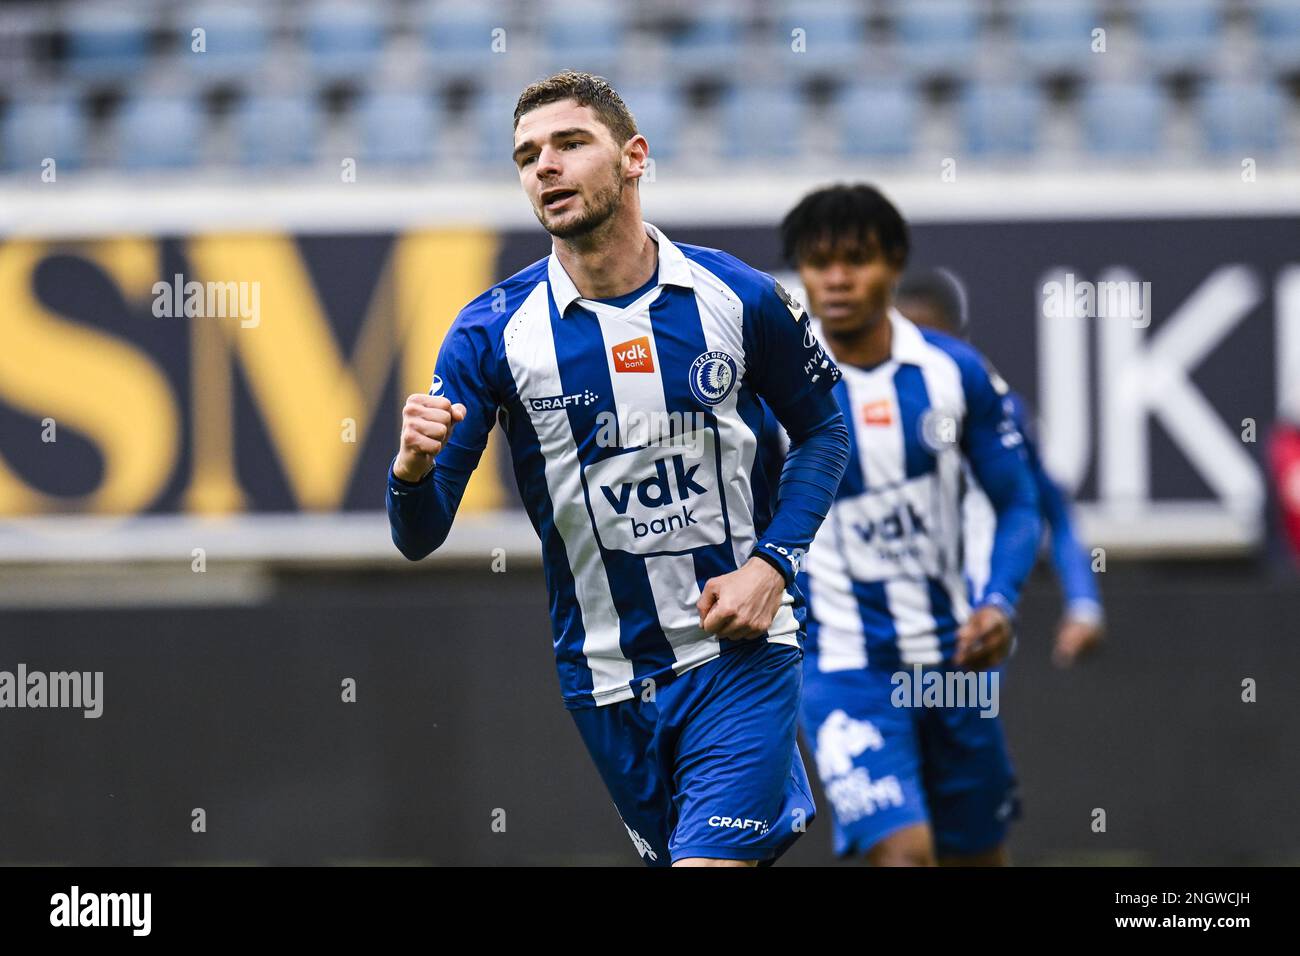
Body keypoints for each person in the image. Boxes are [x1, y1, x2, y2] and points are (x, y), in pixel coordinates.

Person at [386, 71, 850, 867]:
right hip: (605, 677)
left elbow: (825, 431)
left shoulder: (736, 298)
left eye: (570, 144)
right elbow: (419, 537)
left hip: (740, 650)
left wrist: (772, 566)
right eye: (527, 155)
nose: (546, 167)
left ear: (634, 157)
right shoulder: (490, 334)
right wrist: (411, 469)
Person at [779, 183, 1041, 866]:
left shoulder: (955, 374)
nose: (836, 279)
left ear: (894, 265)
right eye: (818, 261)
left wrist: (999, 601)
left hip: (952, 665)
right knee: (904, 855)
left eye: (857, 259)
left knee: (977, 856)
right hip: (843, 667)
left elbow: (1019, 503)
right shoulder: (774, 387)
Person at [896, 269, 1105, 668]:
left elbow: (1050, 510)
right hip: (871, 629)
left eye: (935, 341)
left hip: (972, 626)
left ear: (961, 340)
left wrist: (1083, 603)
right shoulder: (849, 411)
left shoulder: (1000, 414)